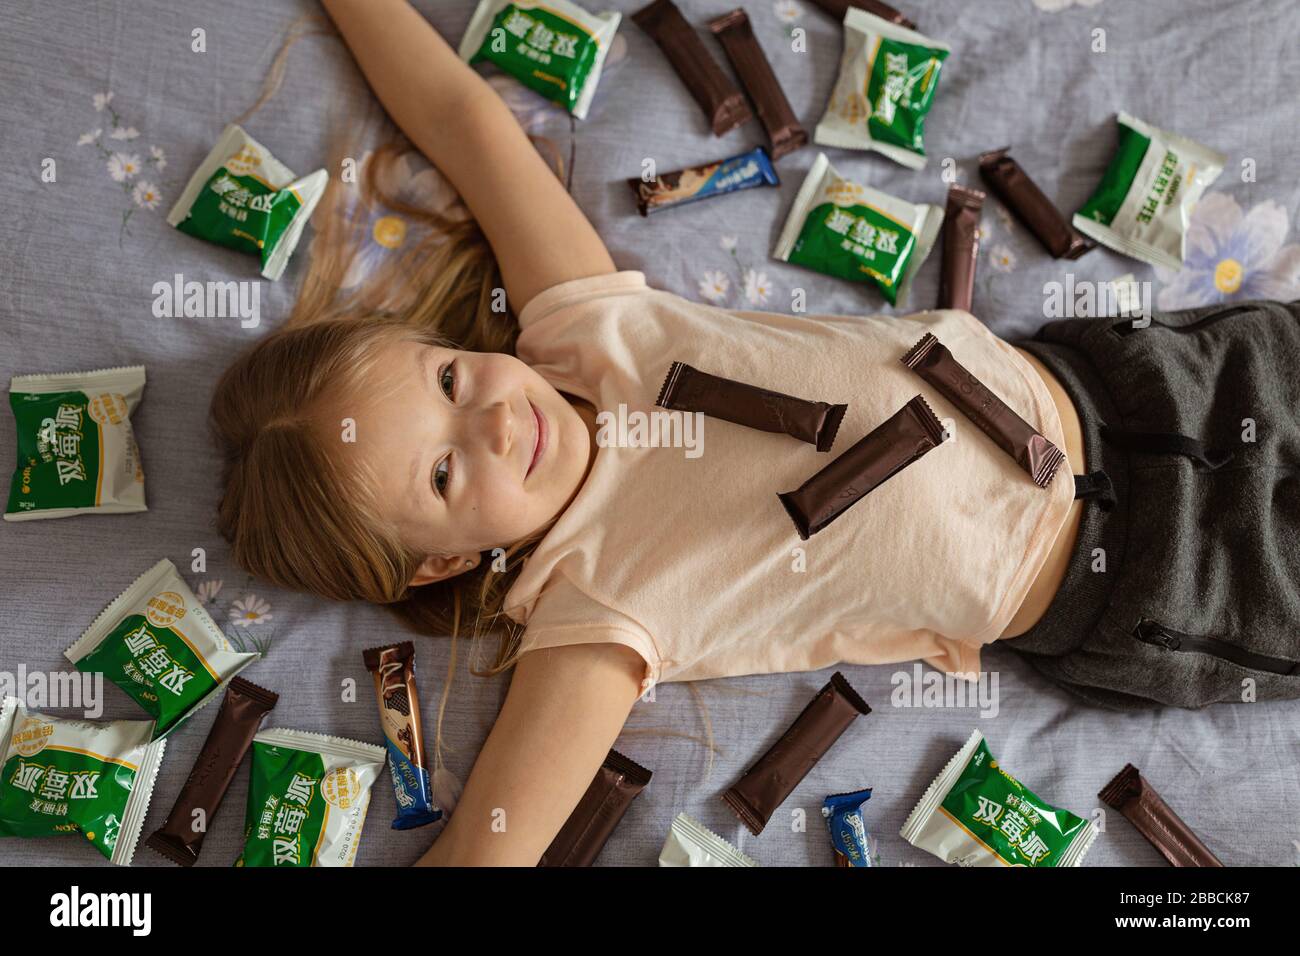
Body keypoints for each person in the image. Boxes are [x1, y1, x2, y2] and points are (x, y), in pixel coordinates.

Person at [209, 0, 1300, 864]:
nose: (494, 416)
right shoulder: (590, 613)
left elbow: (460, 118)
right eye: (446, 472)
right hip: (1161, 582)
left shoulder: (582, 328)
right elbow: (489, 852)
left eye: (450, 378)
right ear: (446, 562)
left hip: (1136, 385)